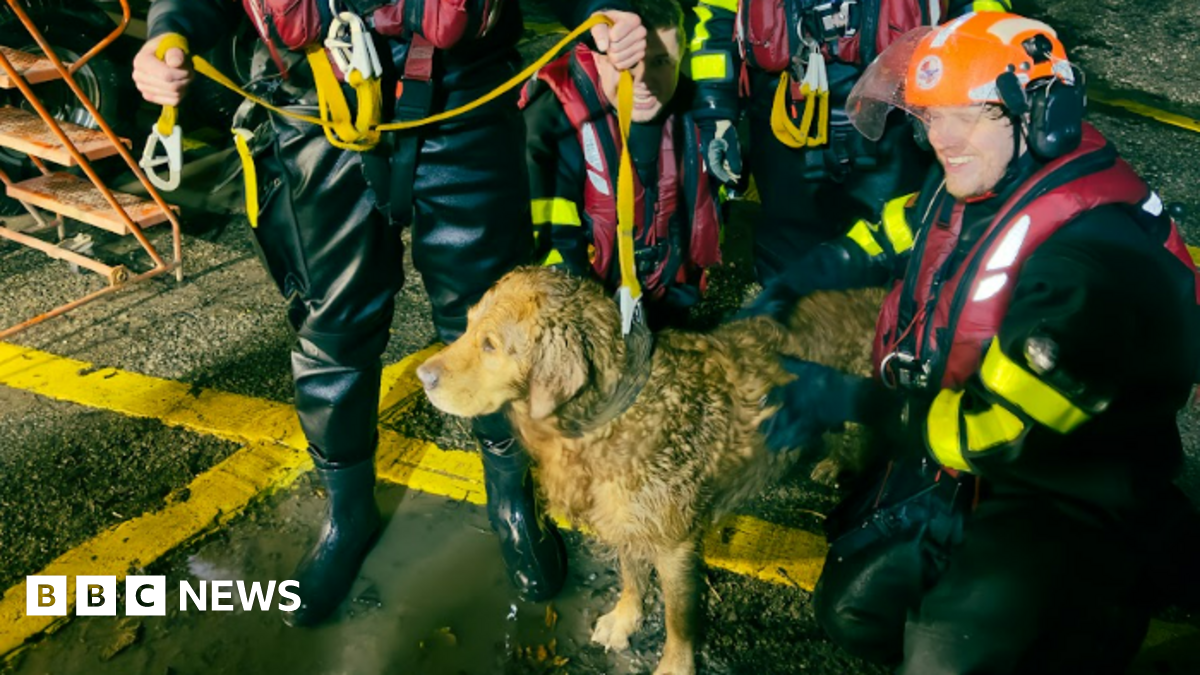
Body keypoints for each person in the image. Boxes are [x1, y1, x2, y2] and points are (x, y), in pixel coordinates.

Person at [133, 0, 647, 627]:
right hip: (313, 105)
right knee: (333, 329)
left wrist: (606, 11)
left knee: (492, 325)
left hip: (466, 105)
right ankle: (347, 514)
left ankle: (513, 502)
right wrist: (168, 33)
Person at [752, 12, 1200, 673]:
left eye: (972, 113)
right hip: (976, 469)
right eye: (932, 114)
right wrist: (822, 266)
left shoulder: (1087, 264)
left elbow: (1000, 431)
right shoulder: (1002, 166)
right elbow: (920, 223)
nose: (942, 137)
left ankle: (1099, 610)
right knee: (853, 609)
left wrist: (854, 400)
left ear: (1043, 113)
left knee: (943, 656)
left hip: (1064, 491)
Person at [687, 0, 1011, 284]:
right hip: (786, 119)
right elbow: (714, 20)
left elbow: (981, 18)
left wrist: (963, 110)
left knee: (896, 248)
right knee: (786, 254)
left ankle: (891, 338)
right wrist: (715, 114)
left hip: (895, 118)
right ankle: (783, 334)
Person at [523, 0, 721, 329]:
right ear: (598, 58)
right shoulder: (550, 122)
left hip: (669, 308)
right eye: (628, 63)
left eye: (661, 61)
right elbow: (547, 250)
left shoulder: (701, 112)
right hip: (585, 316)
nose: (643, 80)